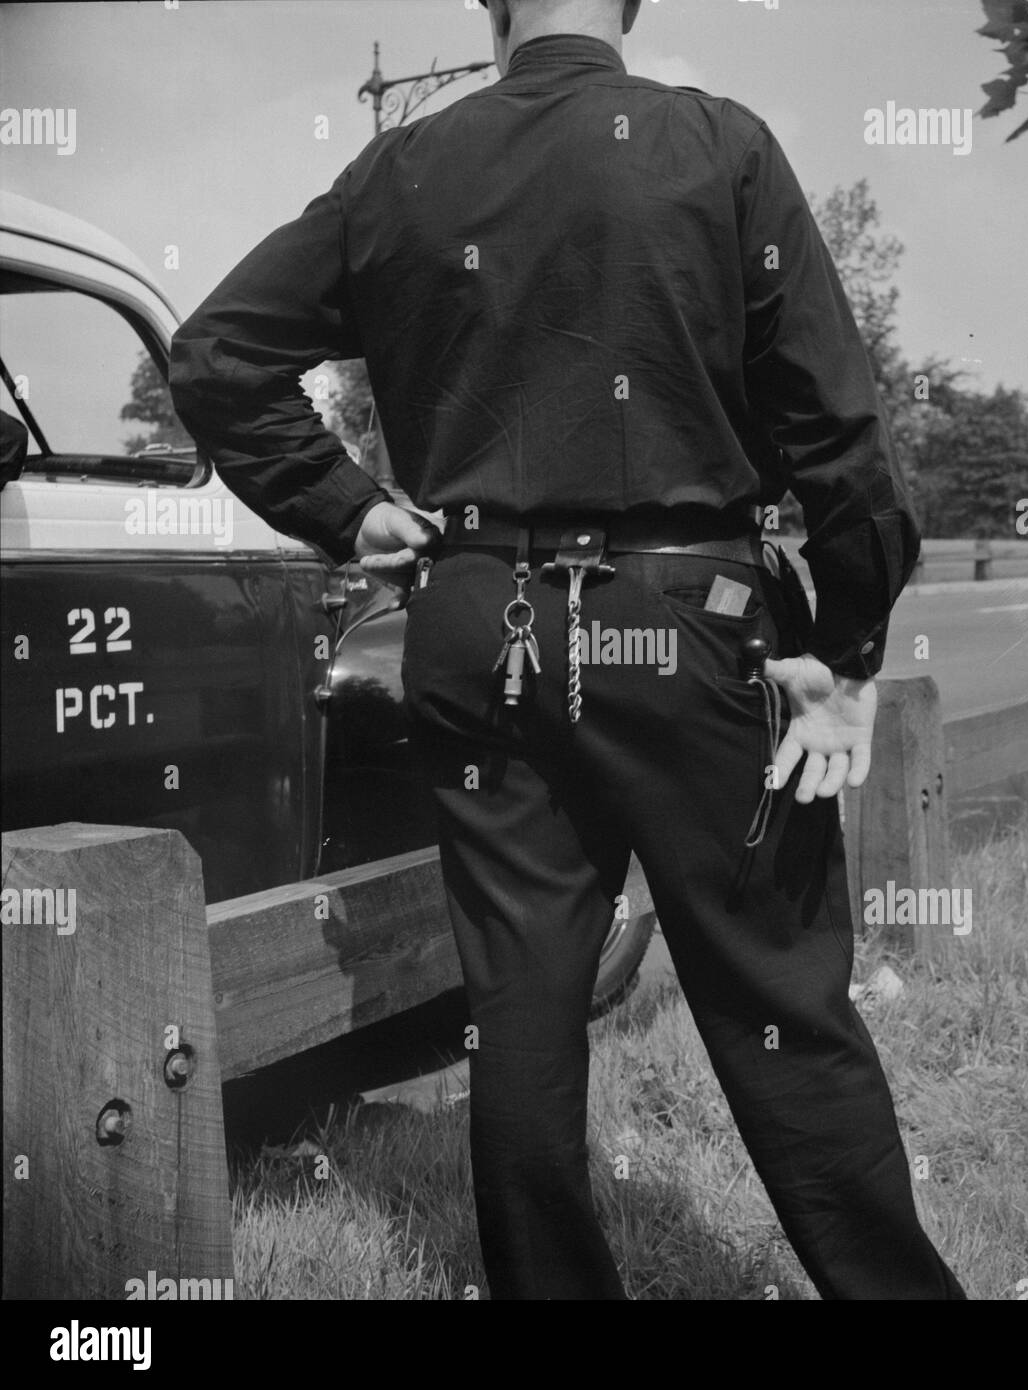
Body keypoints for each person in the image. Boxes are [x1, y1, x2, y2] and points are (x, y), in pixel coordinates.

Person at [170, 0, 965, 1301]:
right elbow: (840, 436)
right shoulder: (719, 148)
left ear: (490, 6)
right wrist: (845, 647)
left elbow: (216, 356)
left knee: (524, 1012)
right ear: (634, 2)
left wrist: (347, 504)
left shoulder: (404, 170)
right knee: (781, 1006)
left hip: (476, 623)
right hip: (685, 620)